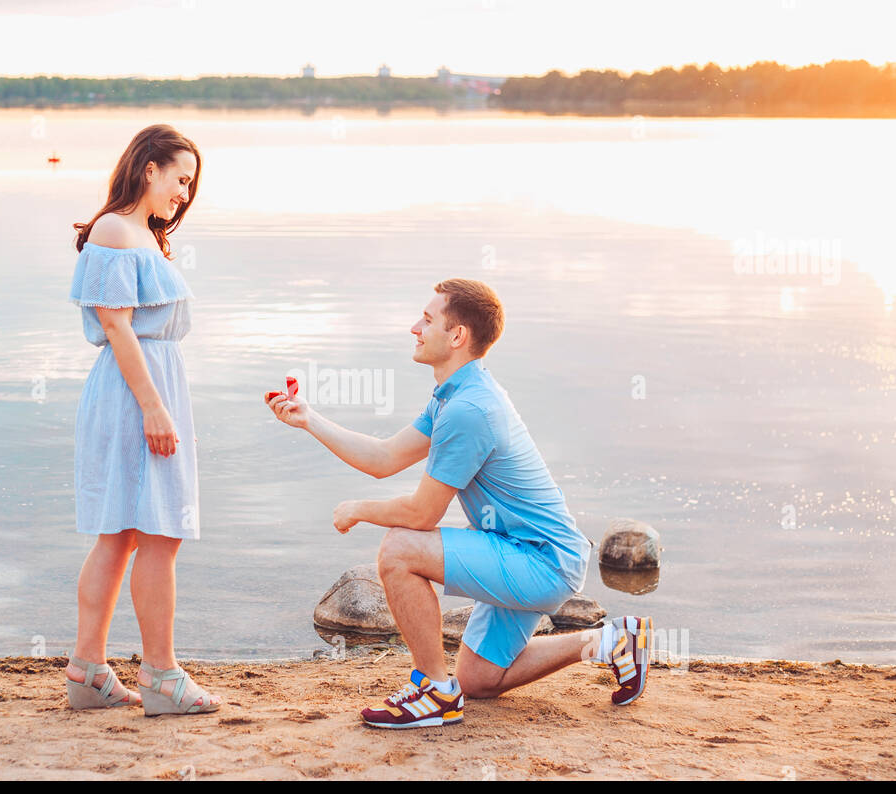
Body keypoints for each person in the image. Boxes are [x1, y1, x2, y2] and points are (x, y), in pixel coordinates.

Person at [265, 278, 652, 728]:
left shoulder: (470, 410)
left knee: (400, 549)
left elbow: (421, 516)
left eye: (427, 319)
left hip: (542, 562)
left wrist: (359, 510)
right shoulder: (455, 395)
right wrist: (309, 420)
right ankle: (613, 643)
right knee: (480, 679)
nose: (415, 327)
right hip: (524, 550)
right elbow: (385, 457)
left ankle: (433, 690)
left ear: (457, 336)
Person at [63, 124, 221, 716]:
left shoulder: (144, 237)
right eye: (180, 178)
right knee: (155, 532)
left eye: (191, 184)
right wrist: (155, 408)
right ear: (147, 167)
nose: (184, 193)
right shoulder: (115, 230)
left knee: (130, 533)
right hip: (134, 394)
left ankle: (89, 672)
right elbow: (116, 325)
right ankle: (160, 675)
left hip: (148, 390)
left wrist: (170, 409)